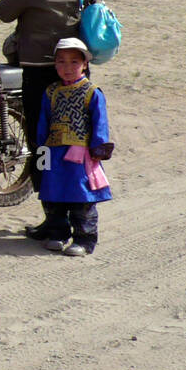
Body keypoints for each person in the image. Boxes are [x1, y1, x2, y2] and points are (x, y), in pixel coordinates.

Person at [0, 0, 88, 238]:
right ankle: (78, 223)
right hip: (76, 76)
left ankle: (56, 222)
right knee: (72, 144)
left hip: (38, 73)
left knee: (42, 145)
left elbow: (3, 12)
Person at [36, 38, 113, 256]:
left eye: (73, 62)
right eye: (61, 62)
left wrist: (98, 149)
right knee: (53, 195)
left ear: (84, 64)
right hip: (53, 151)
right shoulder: (51, 92)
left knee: (81, 197)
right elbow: (44, 122)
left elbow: (100, 122)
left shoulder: (92, 92)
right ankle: (58, 234)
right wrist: (41, 150)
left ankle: (84, 239)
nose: (67, 68)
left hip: (80, 154)